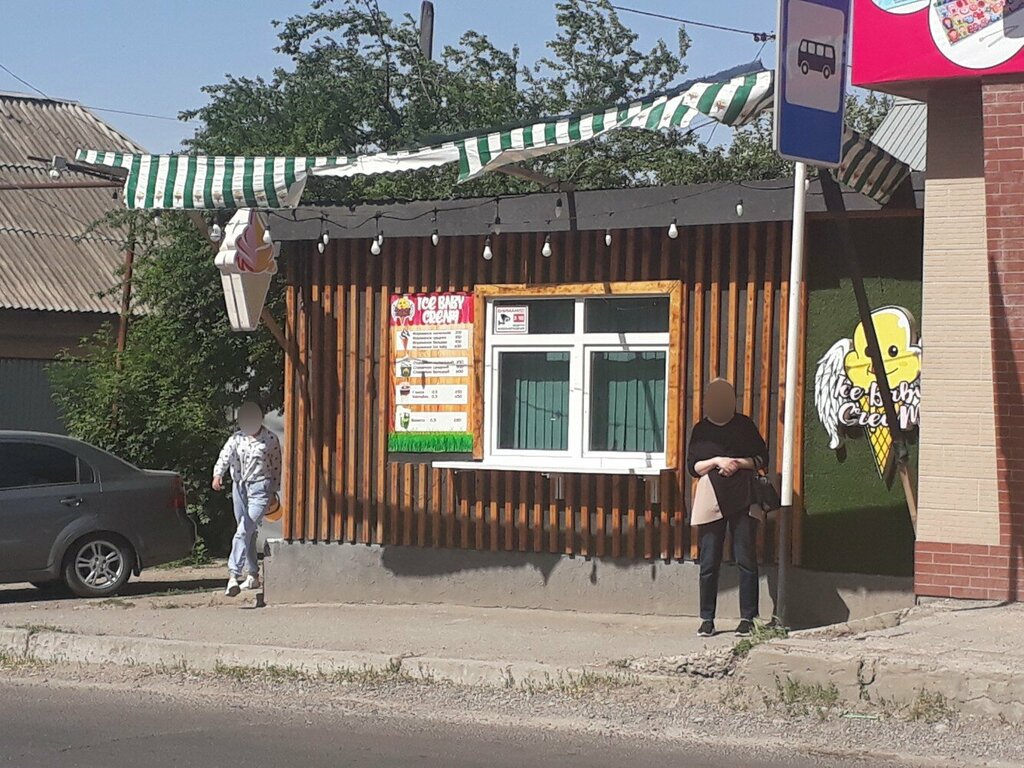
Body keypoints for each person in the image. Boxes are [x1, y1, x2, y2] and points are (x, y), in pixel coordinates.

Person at [687, 379, 768, 638]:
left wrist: (737, 463)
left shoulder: (744, 425)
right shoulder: (701, 429)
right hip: (711, 497)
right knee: (709, 559)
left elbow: (761, 458)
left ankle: (748, 617)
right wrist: (716, 461)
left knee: (746, 557)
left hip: (743, 495)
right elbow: (693, 467)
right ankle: (707, 618)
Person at [213, 402, 282, 597]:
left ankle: (233, 575)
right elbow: (224, 456)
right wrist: (218, 474)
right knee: (247, 531)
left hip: (260, 488)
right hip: (239, 487)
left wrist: (273, 492)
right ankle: (253, 574)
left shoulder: (270, 439)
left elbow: (276, 466)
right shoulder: (237, 438)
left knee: (244, 529)